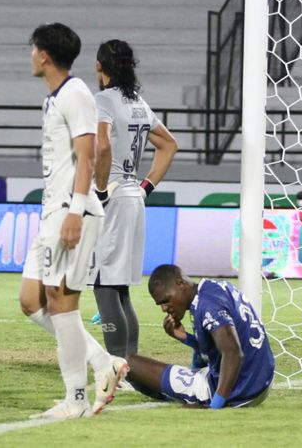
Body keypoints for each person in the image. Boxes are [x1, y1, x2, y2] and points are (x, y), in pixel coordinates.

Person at [18, 23, 128, 419]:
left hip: (70, 214)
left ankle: (75, 401)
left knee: (63, 306)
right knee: (32, 302)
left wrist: (77, 210)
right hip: (53, 214)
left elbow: (90, 152)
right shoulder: (55, 98)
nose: (30, 55)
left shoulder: (76, 93)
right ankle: (104, 362)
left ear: (44, 54)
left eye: (32, 49)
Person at [91, 39, 178, 361]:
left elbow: (102, 147)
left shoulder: (104, 100)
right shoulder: (138, 102)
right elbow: (169, 145)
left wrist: (100, 191)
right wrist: (146, 186)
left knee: (103, 284)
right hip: (133, 197)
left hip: (112, 197)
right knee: (120, 287)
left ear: (100, 66)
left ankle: (117, 365)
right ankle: (132, 364)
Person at [124, 264, 275, 408]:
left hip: (240, 390)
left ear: (180, 283)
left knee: (128, 364)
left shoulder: (207, 305)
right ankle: (184, 391)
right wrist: (185, 337)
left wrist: (214, 406)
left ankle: (178, 396)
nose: (164, 308)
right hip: (259, 381)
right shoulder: (214, 287)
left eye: (166, 300)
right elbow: (217, 346)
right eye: (160, 304)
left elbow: (233, 353)